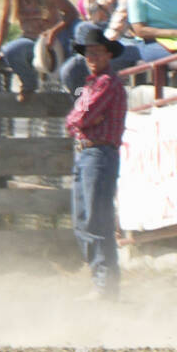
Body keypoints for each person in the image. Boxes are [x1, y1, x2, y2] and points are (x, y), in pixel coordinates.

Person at [64, 24, 128, 299]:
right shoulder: (93, 83)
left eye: (97, 52)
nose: (92, 57)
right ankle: (101, 281)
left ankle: (104, 283)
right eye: (88, 53)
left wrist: (81, 121)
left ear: (108, 54)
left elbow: (80, 118)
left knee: (95, 219)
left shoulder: (106, 83)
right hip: (88, 153)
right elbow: (78, 119)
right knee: (84, 219)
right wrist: (81, 121)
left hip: (98, 154)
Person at [58, 0, 142, 98]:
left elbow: (120, 21)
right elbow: (94, 18)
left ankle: (95, 101)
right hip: (110, 41)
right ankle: (82, 110)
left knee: (85, 56)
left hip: (130, 40)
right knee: (69, 71)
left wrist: (101, 47)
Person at [0, 0, 79, 101]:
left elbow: (72, 13)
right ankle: (29, 84)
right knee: (9, 52)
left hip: (49, 42)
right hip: (28, 38)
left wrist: (54, 31)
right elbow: (4, 22)